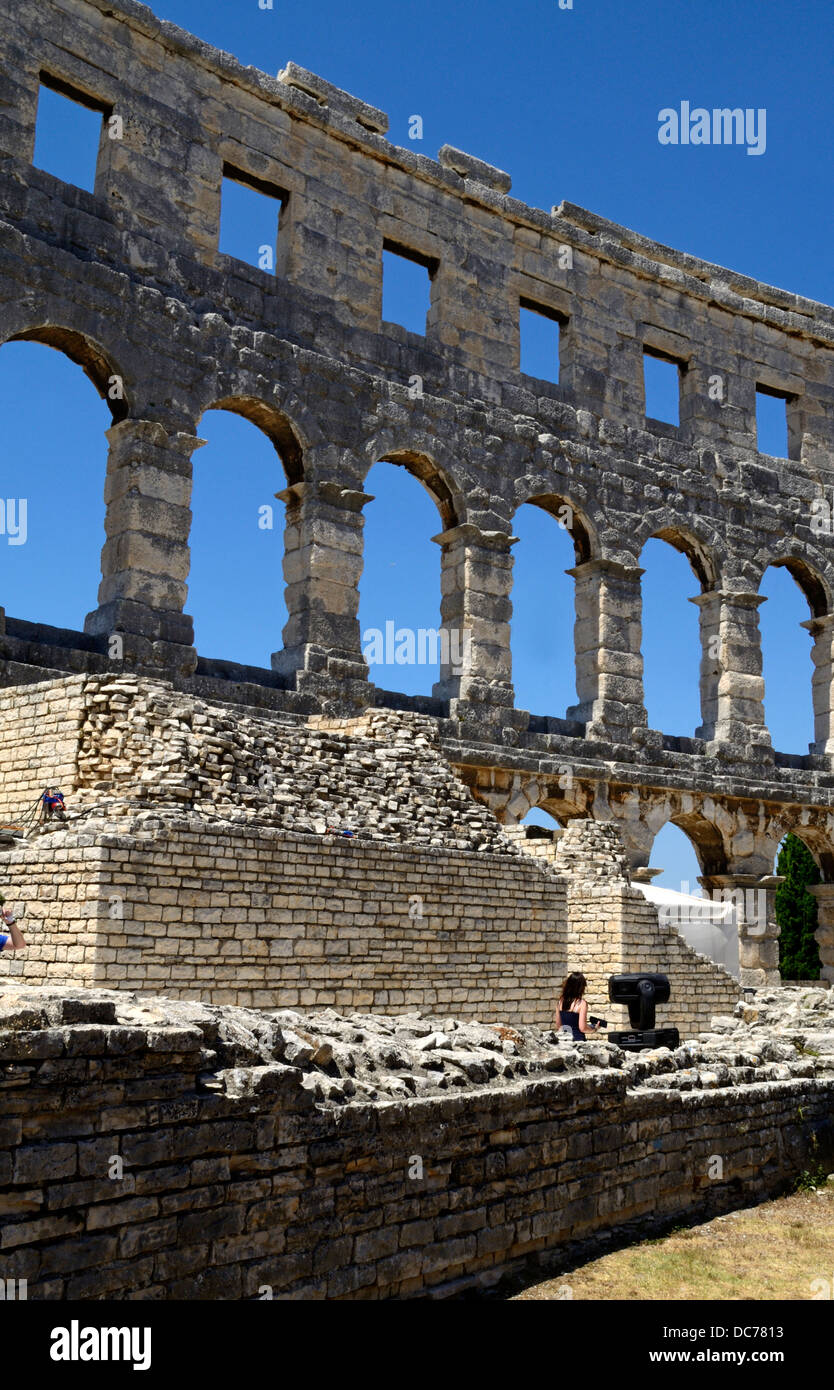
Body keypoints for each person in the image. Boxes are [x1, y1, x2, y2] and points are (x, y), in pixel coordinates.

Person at [556, 971, 601, 1041]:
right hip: (578, 1041)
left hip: (564, 1042)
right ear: (581, 987)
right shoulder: (582, 1003)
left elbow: (559, 1026)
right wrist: (594, 1029)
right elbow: (582, 1028)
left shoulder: (560, 1001)